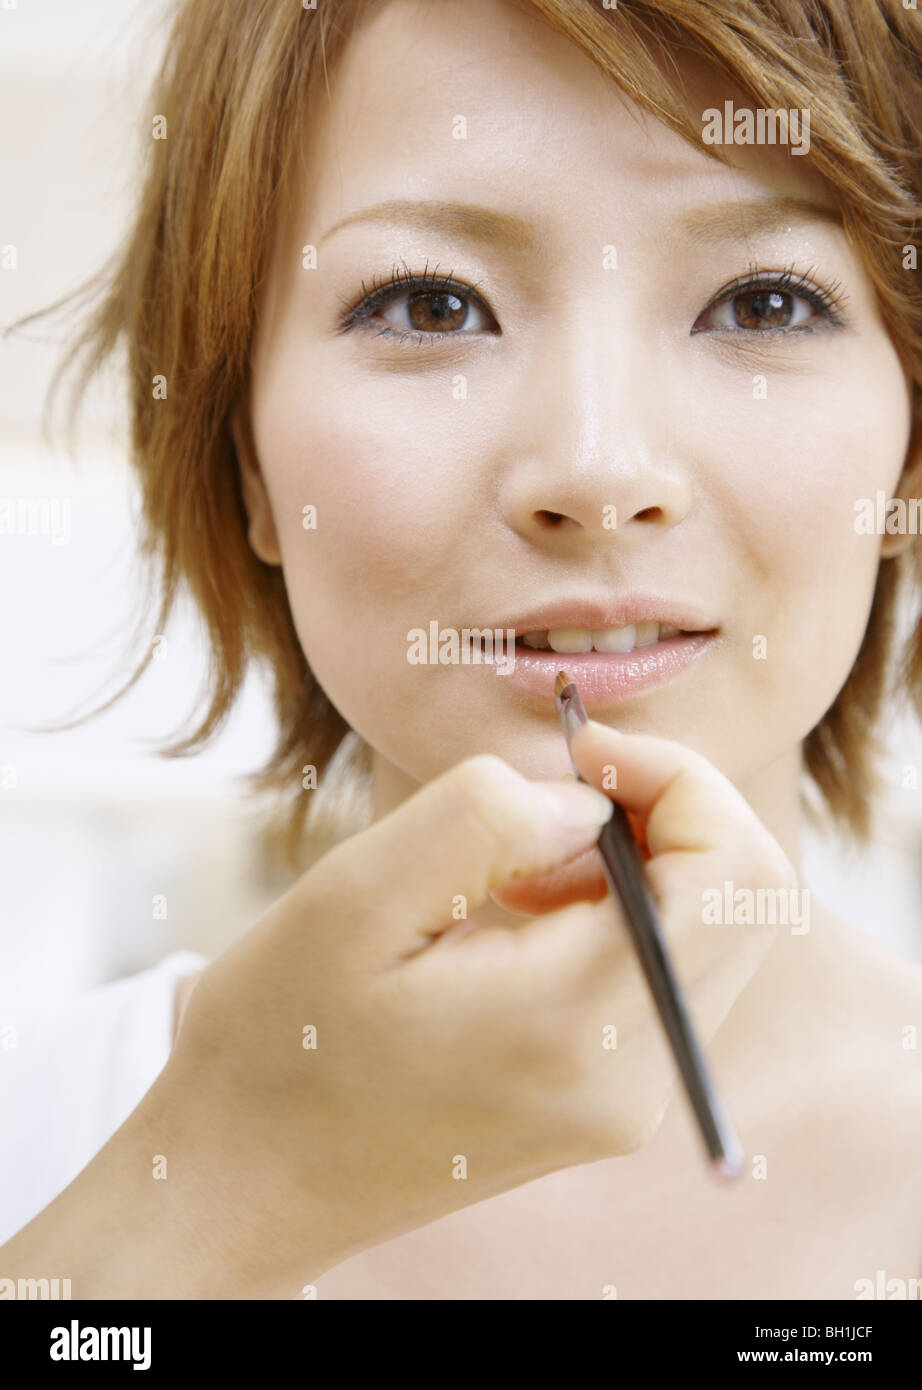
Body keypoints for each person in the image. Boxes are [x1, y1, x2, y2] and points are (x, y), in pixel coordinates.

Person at [1, 0, 921, 1300]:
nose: (596, 469)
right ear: (247, 458)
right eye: (430, 304)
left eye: (762, 298)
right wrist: (214, 1189)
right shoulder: (42, 1137)